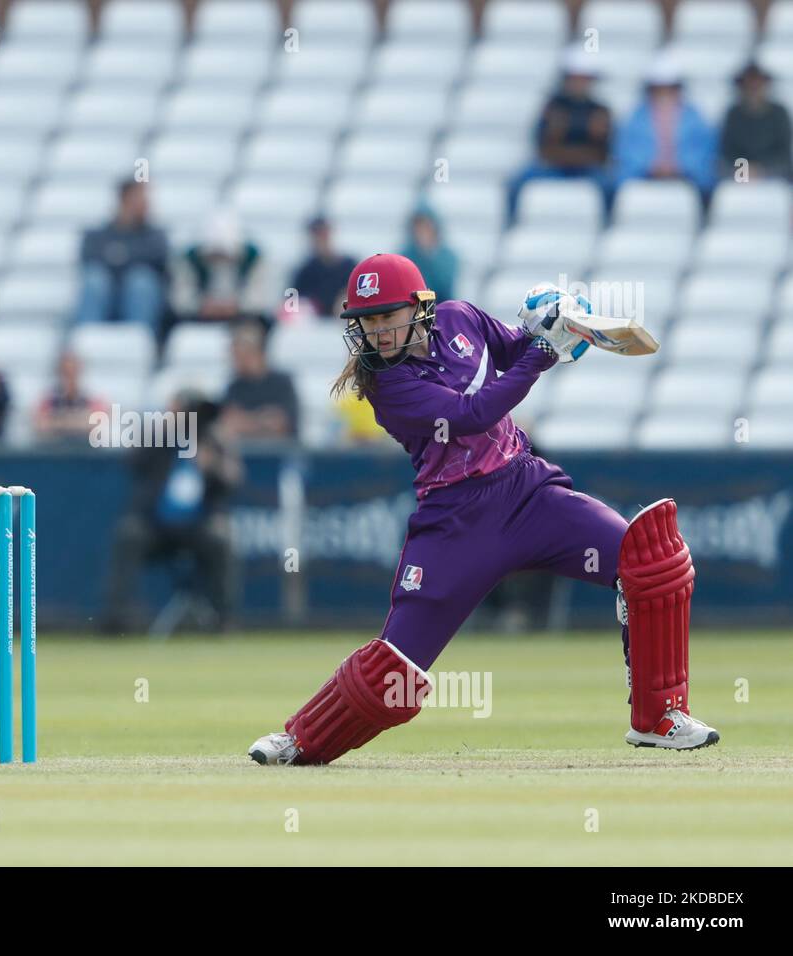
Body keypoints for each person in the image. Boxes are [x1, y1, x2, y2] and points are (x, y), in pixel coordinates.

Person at [247, 254, 719, 766]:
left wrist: (554, 324)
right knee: (395, 672)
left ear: (420, 308)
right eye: (367, 321)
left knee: (648, 561)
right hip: (455, 520)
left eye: (387, 317)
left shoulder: (460, 318)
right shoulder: (388, 386)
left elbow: (519, 347)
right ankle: (300, 739)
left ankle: (659, 719)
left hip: (525, 490)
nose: (377, 331)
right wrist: (543, 351)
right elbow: (472, 415)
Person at [101, 391, 242, 634]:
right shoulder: (160, 439)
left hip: (198, 525)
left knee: (222, 538)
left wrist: (213, 463)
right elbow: (133, 461)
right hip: (156, 526)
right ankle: (118, 619)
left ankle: (223, 620)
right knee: (129, 534)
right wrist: (165, 426)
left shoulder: (212, 442)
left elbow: (233, 479)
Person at [506, 45, 614, 220]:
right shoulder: (552, 108)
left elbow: (605, 151)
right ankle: (513, 222)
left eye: (584, 78)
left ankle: (607, 224)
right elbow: (541, 145)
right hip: (554, 166)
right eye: (576, 78)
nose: (580, 83)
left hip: (587, 168)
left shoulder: (600, 111)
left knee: (609, 185)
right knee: (515, 183)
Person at [614, 56, 717, 200]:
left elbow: (704, 151)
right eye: (659, 88)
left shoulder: (694, 117)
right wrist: (649, 167)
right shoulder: (636, 117)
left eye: (670, 88)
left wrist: (681, 168)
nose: (664, 93)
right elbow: (626, 151)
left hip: (687, 180)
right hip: (644, 179)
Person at [74, 178, 169, 328]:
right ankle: (87, 339)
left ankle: (140, 338)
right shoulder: (96, 236)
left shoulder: (155, 237)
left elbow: (158, 261)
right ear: (125, 199)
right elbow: (89, 260)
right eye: (141, 198)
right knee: (95, 280)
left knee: (141, 281)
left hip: (138, 296)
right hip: (106, 294)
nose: (147, 203)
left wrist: (117, 258)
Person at [220, 319, 298, 441]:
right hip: (244, 452)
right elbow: (228, 424)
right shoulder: (234, 387)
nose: (234, 361)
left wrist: (245, 421)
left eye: (240, 354)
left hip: (279, 453)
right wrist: (262, 420)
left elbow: (281, 424)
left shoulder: (282, 383)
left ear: (257, 352)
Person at [719, 61, 792, 182]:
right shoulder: (733, 114)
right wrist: (746, 169)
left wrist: (762, 169)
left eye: (758, 84)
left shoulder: (779, 113)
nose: (754, 88)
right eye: (749, 84)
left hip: (774, 173)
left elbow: (783, 153)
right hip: (739, 173)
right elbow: (727, 152)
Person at [284, 215, 354, 321]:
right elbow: (291, 303)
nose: (320, 239)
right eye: (316, 235)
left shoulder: (349, 266)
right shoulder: (304, 270)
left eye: (323, 234)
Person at [33, 349, 108, 444]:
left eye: (73, 371)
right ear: (59, 373)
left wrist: (57, 421)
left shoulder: (92, 400)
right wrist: (78, 421)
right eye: (65, 372)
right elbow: (41, 425)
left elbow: (97, 424)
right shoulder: (47, 401)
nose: (69, 376)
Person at [398, 202, 458, 302]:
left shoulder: (449, 256)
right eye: (418, 227)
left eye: (426, 226)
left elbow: (446, 289)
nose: (422, 232)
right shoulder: (404, 256)